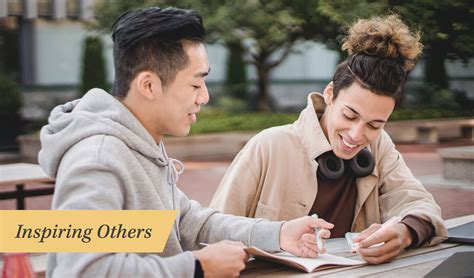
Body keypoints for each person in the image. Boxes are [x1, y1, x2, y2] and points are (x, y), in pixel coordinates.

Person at [38, 7, 334, 277]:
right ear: (149, 85)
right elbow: (79, 270)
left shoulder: (141, 143)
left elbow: (190, 223)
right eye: (195, 83)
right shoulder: (99, 158)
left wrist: (280, 233)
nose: (204, 97)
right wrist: (196, 267)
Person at [209, 14, 448, 264]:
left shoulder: (379, 146)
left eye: (375, 124)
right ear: (330, 94)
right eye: (350, 115)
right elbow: (212, 230)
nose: (357, 136)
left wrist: (405, 232)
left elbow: (420, 204)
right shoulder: (268, 145)